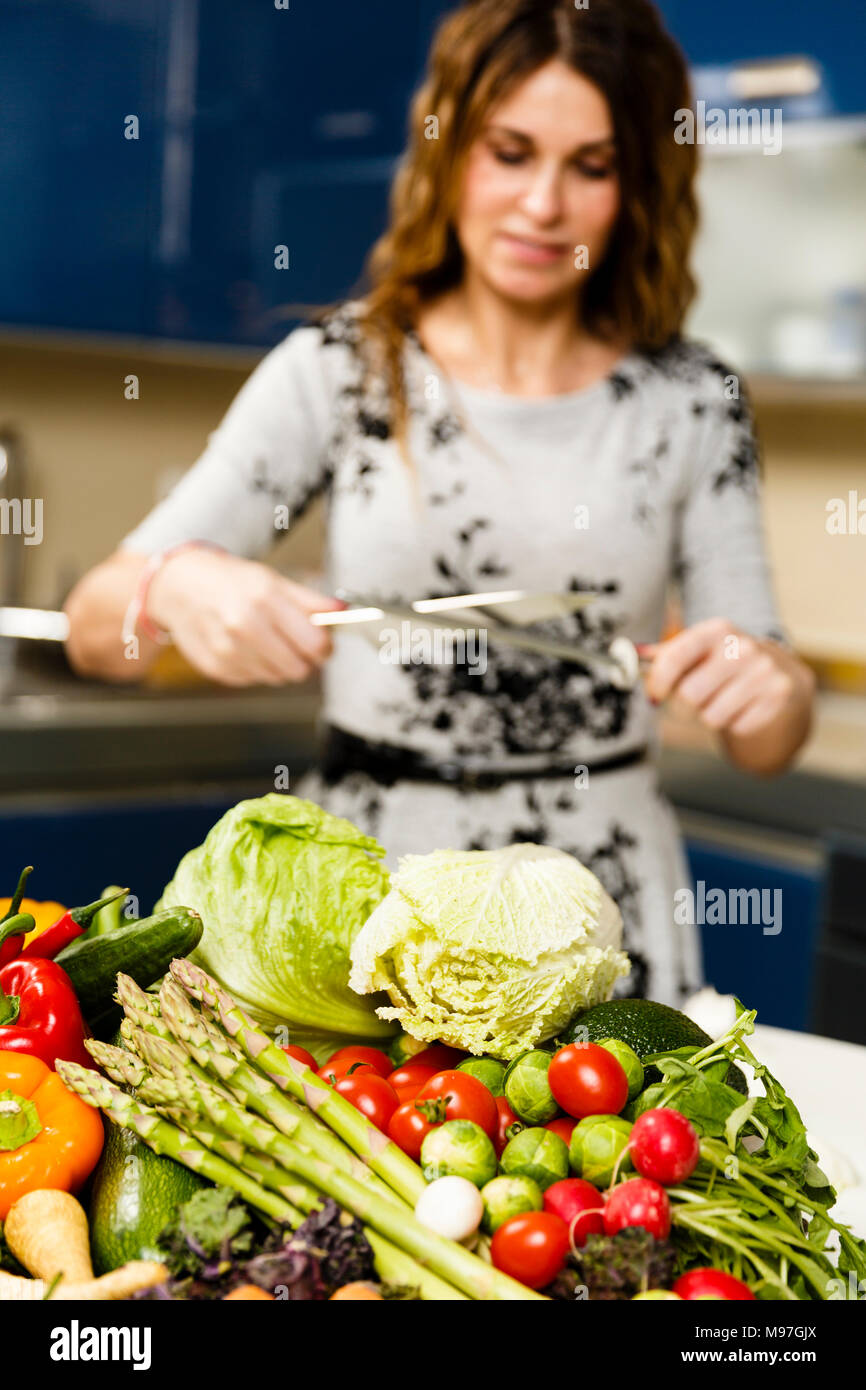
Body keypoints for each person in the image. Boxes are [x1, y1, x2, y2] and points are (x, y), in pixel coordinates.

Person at [65, 0, 814, 1004]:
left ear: (636, 184)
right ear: (449, 150)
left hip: (602, 913)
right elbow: (90, 627)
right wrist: (176, 580)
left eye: (589, 165)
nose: (541, 204)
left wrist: (768, 684)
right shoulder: (337, 372)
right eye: (508, 152)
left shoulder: (691, 398)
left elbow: (765, 741)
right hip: (375, 909)